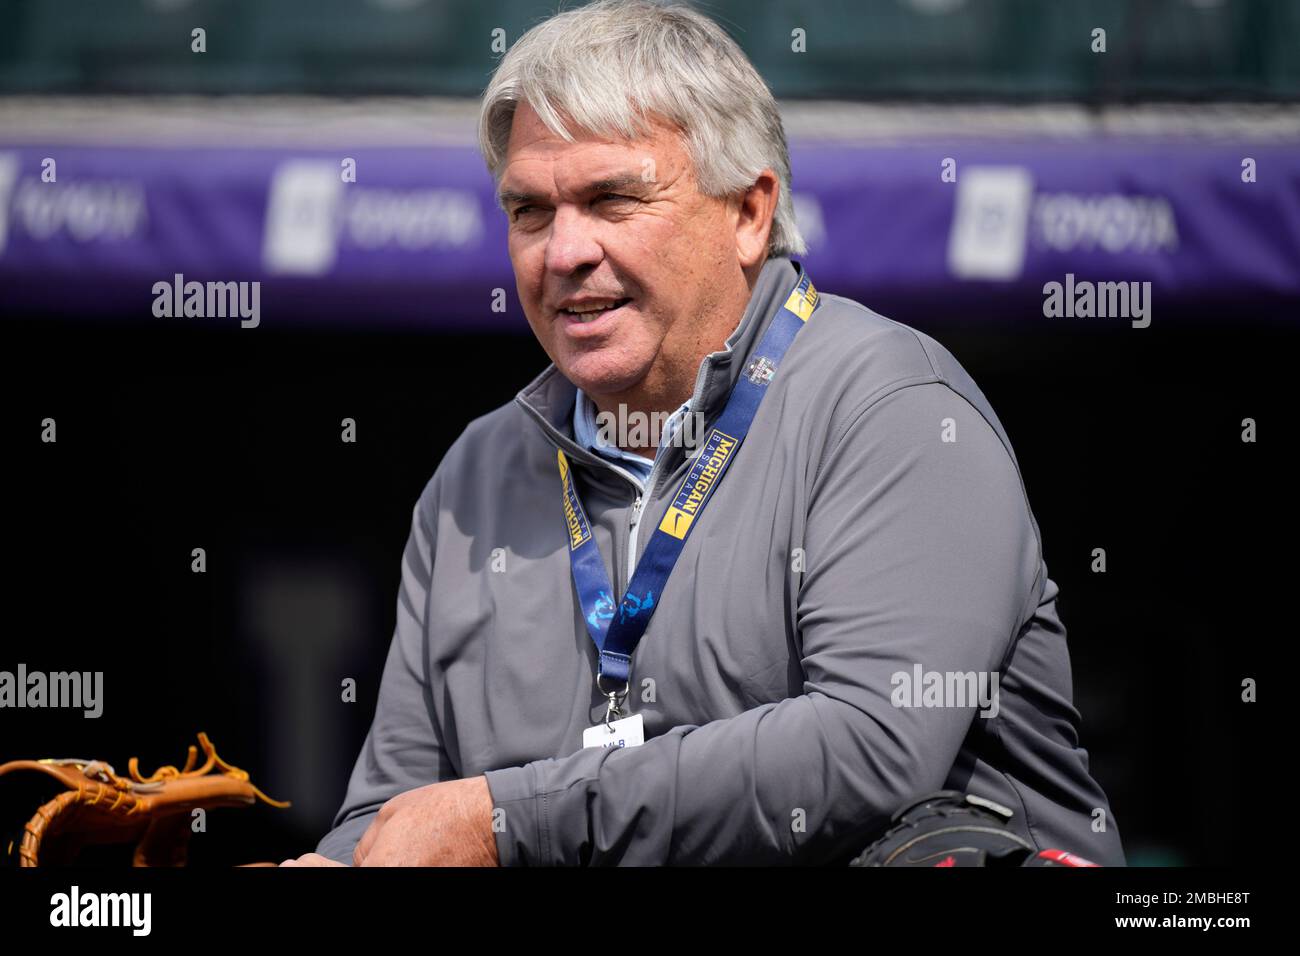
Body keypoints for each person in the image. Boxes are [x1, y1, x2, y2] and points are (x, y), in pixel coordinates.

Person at [281, 0, 1125, 867]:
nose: (561, 251)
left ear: (750, 213)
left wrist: (508, 821)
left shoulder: (894, 408)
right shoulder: (476, 473)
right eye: (528, 211)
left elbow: (872, 744)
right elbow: (399, 820)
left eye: (612, 198)